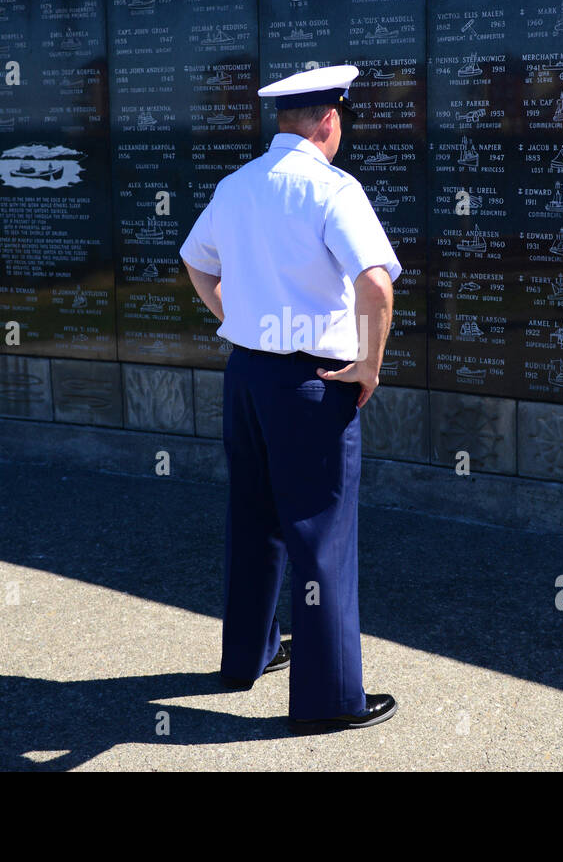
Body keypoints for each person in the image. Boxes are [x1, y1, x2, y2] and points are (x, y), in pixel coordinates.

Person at [179, 64, 401, 731]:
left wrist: (235, 317)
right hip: (311, 385)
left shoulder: (237, 184)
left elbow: (195, 259)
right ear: (329, 119)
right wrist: (369, 364)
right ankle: (331, 699)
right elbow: (376, 285)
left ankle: (245, 657)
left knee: (252, 518)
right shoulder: (333, 188)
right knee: (321, 535)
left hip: (247, 374)